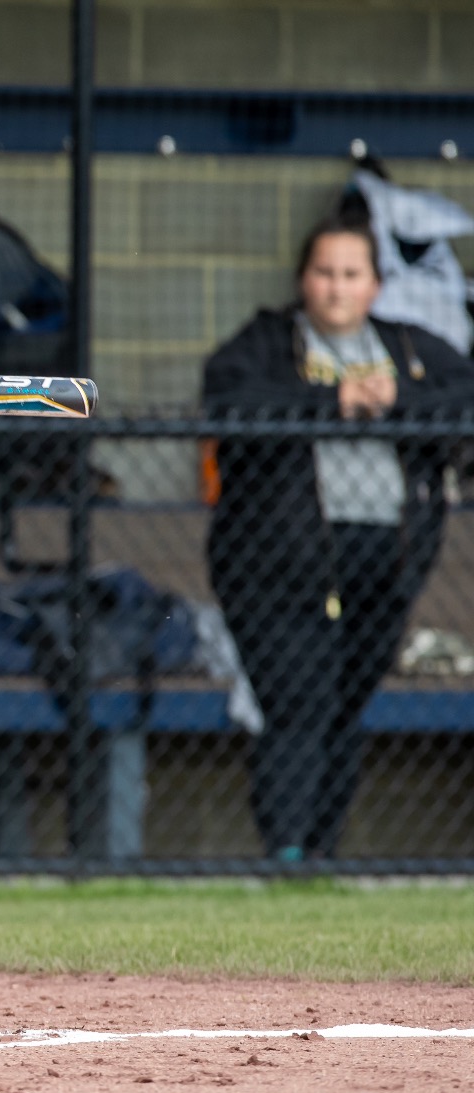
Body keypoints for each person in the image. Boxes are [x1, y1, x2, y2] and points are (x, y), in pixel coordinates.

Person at [204, 216, 474, 861]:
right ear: (304, 280)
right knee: (300, 700)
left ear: (376, 285)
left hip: (385, 561)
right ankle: (287, 852)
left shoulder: (409, 348)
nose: (336, 288)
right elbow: (229, 398)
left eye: (351, 274)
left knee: (345, 707)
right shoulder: (269, 342)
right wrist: (334, 400)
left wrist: (397, 398)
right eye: (324, 273)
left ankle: (319, 854)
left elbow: (462, 394)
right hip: (279, 566)